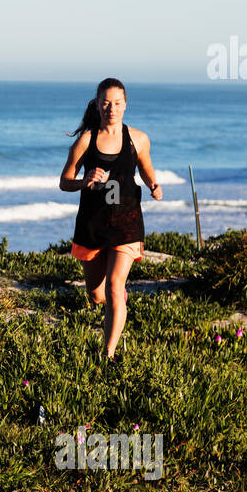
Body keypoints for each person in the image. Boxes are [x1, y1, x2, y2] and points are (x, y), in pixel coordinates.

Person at [59, 78, 162, 360]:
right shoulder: (86, 140)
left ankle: (108, 354)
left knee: (116, 286)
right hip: (93, 225)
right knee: (97, 295)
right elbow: (64, 181)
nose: (111, 108)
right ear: (97, 105)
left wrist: (153, 185)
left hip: (127, 224)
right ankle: (117, 303)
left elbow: (146, 168)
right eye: (106, 103)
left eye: (117, 103)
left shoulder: (138, 139)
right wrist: (84, 181)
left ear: (125, 105)